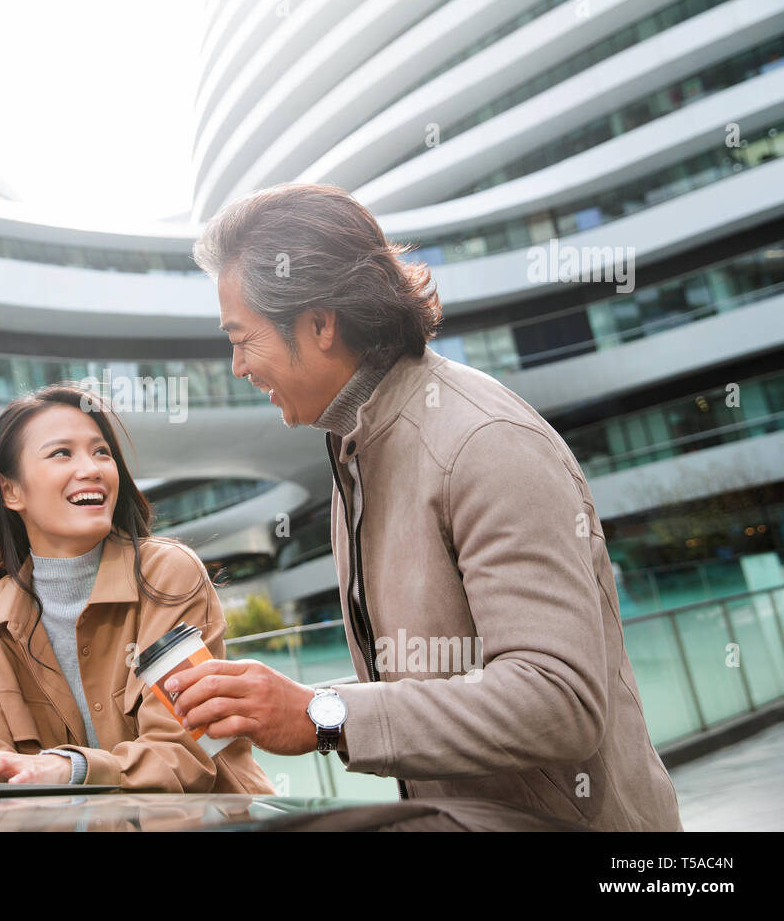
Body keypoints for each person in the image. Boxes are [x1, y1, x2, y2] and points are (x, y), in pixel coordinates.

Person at [166, 183, 683, 831]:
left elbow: (560, 699)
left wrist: (321, 716)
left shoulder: (483, 441)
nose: (238, 365)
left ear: (321, 323)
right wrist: (297, 705)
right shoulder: (357, 451)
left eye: (242, 338)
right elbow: (431, 687)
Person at [0, 383, 274, 794]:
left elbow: (184, 756)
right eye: (62, 453)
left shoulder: (167, 573)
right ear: (9, 490)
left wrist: (66, 768)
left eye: (101, 451)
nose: (91, 468)